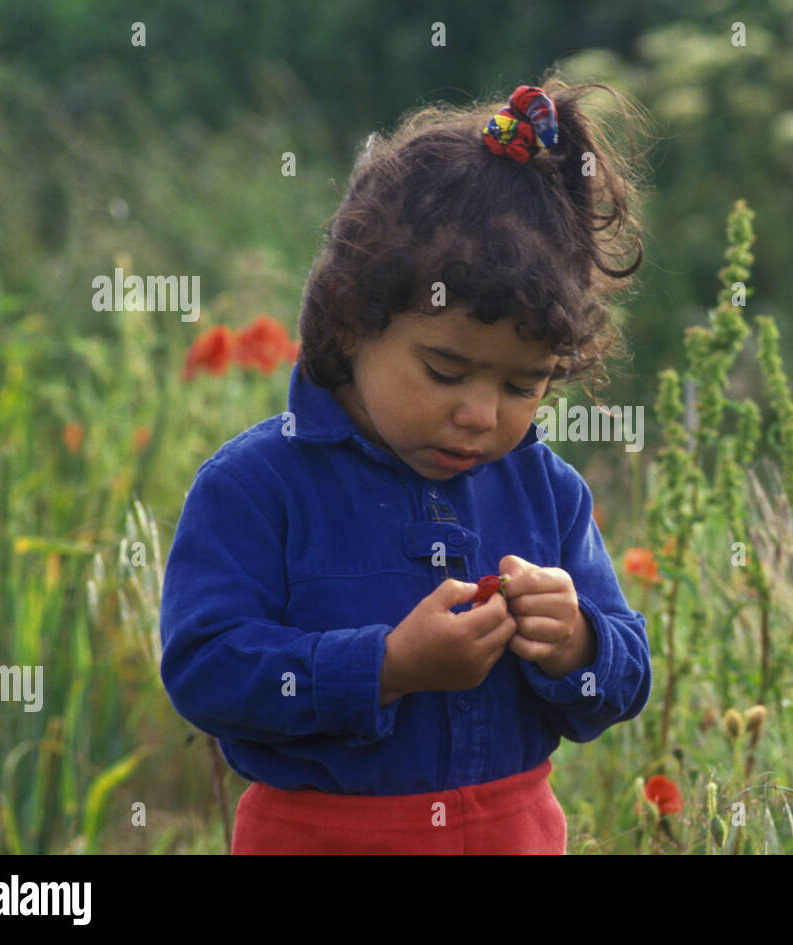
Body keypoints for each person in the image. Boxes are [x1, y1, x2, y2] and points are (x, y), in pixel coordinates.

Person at [159, 74, 654, 854]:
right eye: (447, 372)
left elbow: (622, 678)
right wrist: (384, 667)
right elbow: (205, 668)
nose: (481, 414)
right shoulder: (259, 487)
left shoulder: (547, 491)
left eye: (523, 384)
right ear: (354, 319)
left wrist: (581, 645)